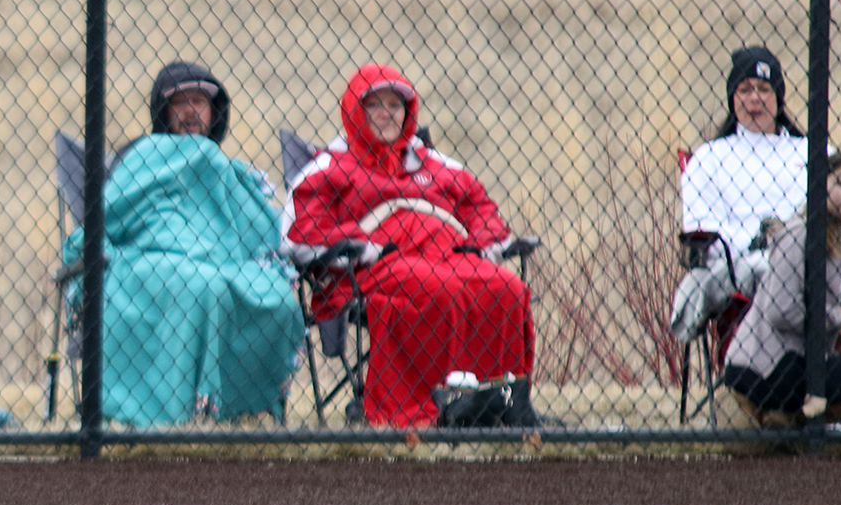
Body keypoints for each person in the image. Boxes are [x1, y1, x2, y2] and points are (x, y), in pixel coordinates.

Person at [281, 64, 538, 428]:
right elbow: (300, 233)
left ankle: (502, 402)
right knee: (435, 289)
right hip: (378, 265)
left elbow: (481, 209)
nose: (386, 113)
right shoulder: (330, 166)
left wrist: (481, 247)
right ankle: (438, 404)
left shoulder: (434, 163)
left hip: (449, 255)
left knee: (507, 288)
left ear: (408, 113)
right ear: (355, 111)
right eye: (374, 105)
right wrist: (367, 246)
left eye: (395, 105)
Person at [64, 62, 303, 426]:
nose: (191, 111)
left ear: (214, 111)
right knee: (199, 287)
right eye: (181, 102)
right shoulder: (144, 156)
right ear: (164, 111)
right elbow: (112, 212)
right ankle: (175, 415)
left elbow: (254, 224)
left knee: (279, 297)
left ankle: (244, 410)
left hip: (223, 260)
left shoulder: (220, 163)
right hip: (150, 255)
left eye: (200, 101)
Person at [722, 151, 841, 426]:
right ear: (819, 186)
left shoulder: (834, 241)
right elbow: (781, 312)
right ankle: (775, 409)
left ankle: (784, 419)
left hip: (796, 363)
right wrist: (837, 317)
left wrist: (833, 324)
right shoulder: (799, 234)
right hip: (766, 370)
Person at [671, 47, 811, 344]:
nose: (754, 98)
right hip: (743, 266)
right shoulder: (710, 158)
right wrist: (759, 242)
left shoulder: (813, 153)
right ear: (732, 98)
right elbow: (702, 230)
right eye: (744, 89)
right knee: (766, 269)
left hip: (811, 261)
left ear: (779, 97)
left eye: (764, 88)